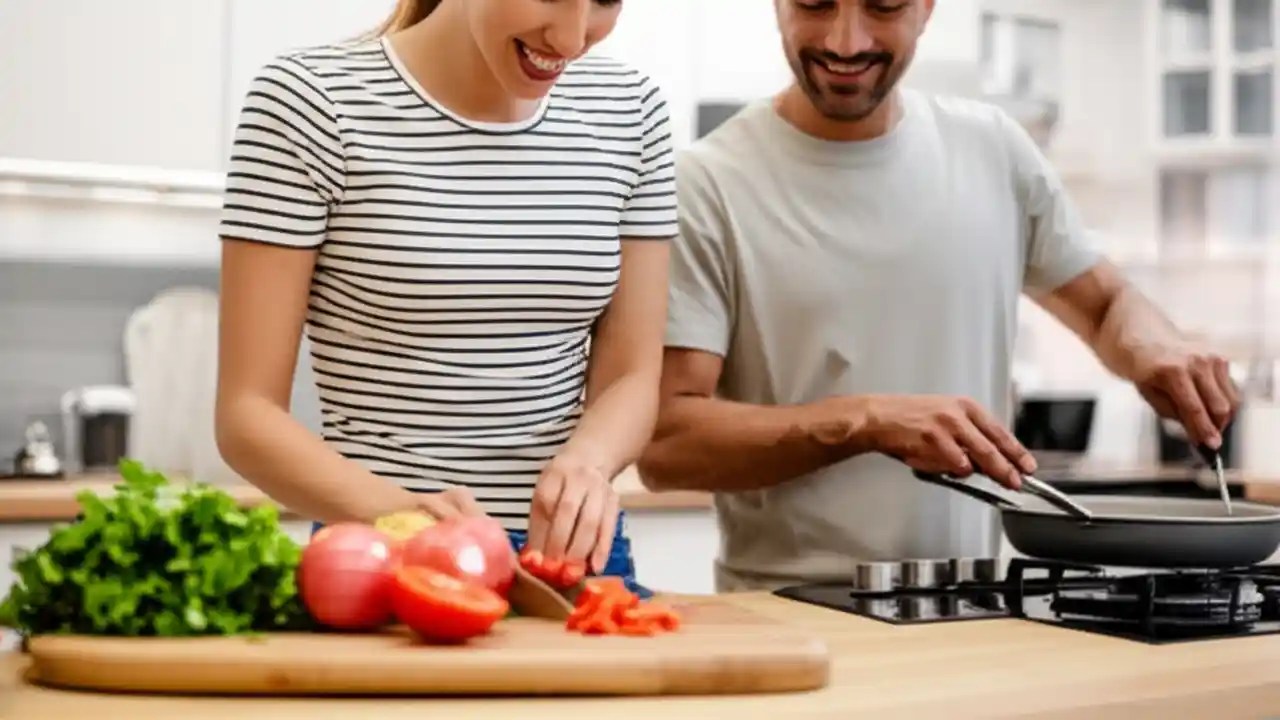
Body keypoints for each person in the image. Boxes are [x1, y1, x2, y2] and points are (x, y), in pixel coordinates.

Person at [638, 0, 1240, 592]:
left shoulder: (993, 149)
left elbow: (1107, 305)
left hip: (976, 606)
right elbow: (668, 445)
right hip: (792, 613)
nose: (846, 42)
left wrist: (1155, 342)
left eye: (883, 7)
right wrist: (865, 422)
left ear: (926, 7)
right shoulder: (706, 185)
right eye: (816, 4)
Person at [214, 0, 675, 594]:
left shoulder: (629, 110)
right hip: (386, 556)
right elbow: (246, 415)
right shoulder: (310, 103)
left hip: (572, 565)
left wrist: (589, 461)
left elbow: (632, 376)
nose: (571, 37)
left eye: (606, 0)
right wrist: (410, 520)